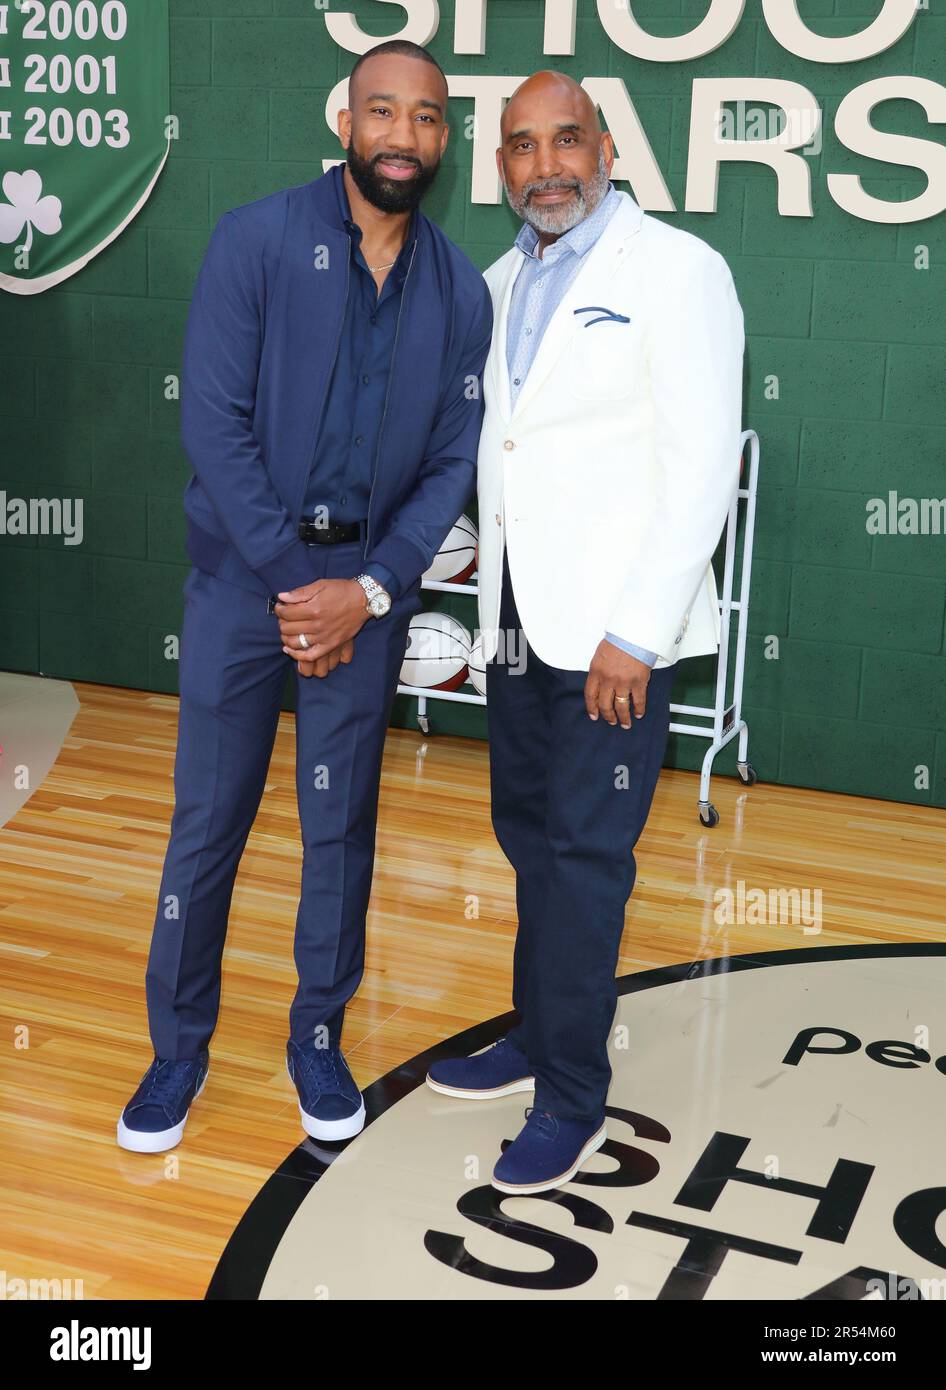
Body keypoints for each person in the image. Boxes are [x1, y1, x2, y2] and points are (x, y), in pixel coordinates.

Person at [118, 40, 492, 1153]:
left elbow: (448, 468)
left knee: (340, 831)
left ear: (442, 139)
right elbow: (213, 429)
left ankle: (316, 1040)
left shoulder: (460, 290)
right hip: (248, 587)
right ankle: (175, 1053)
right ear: (347, 123)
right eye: (384, 113)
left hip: (365, 602)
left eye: (425, 120)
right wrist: (300, 588)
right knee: (206, 829)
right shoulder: (256, 240)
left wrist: (367, 592)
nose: (403, 138)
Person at [426, 71, 745, 1196]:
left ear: (607, 148)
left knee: (584, 861)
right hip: (518, 621)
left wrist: (636, 634)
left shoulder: (678, 270)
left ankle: (569, 1093)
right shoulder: (502, 278)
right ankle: (535, 1030)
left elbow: (702, 460)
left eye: (567, 140)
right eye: (521, 146)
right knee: (528, 837)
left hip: (614, 641)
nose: (545, 163)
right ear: (500, 165)